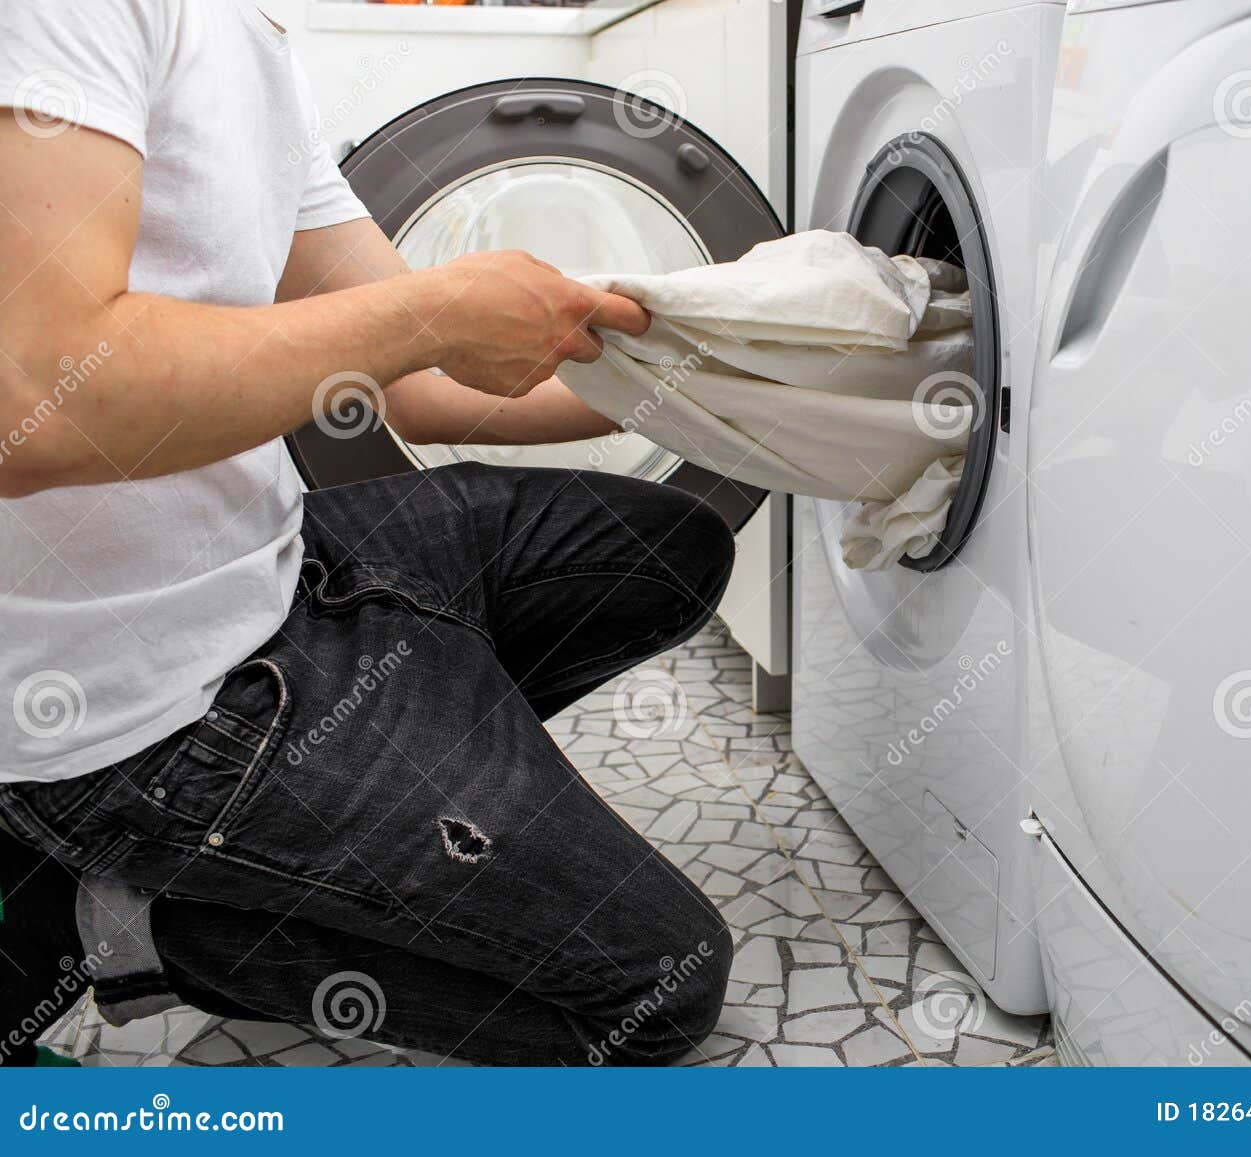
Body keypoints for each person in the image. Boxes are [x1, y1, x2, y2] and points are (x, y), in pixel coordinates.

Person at [0, 0, 736, 1066]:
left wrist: (744, 395)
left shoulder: (248, 34)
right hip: (139, 708)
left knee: (667, 545)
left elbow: (421, 380)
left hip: (281, 572)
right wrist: (435, 308)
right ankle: (132, 915)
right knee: (652, 987)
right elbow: (42, 399)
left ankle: (354, 824)